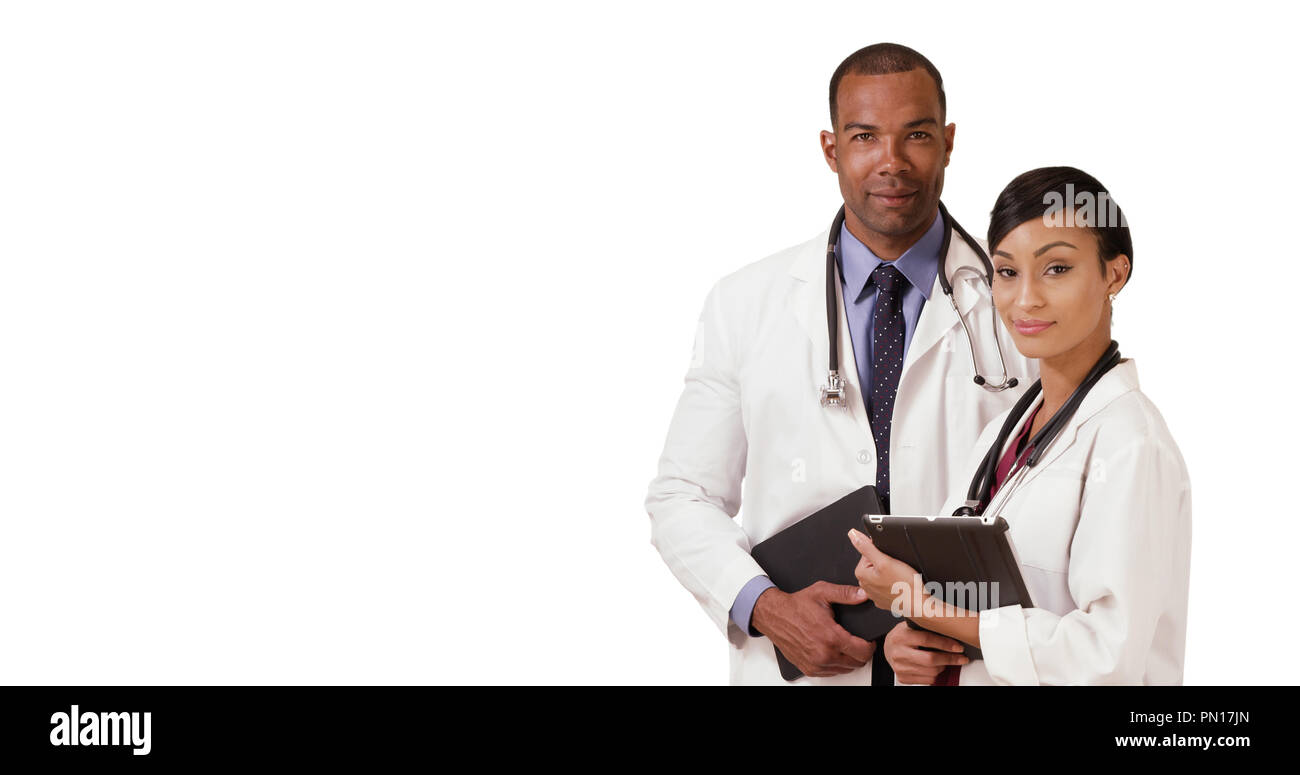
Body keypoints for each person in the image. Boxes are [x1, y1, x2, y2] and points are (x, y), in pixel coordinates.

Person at [644, 43, 1037, 685]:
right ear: (831, 150)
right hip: (807, 662)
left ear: (949, 141)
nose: (892, 163)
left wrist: (962, 624)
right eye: (864, 136)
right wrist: (765, 608)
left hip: (967, 667)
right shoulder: (746, 304)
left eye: (916, 134)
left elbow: (1063, 513)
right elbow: (682, 495)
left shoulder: (1021, 306)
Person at [849, 167, 1192, 685]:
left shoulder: (1130, 444)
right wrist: (910, 638)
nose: (1025, 299)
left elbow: (1107, 658)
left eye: (1056, 269)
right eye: (1007, 272)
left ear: (1114, 275)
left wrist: (922, 604)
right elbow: (960, 602)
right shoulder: (1004, 433)